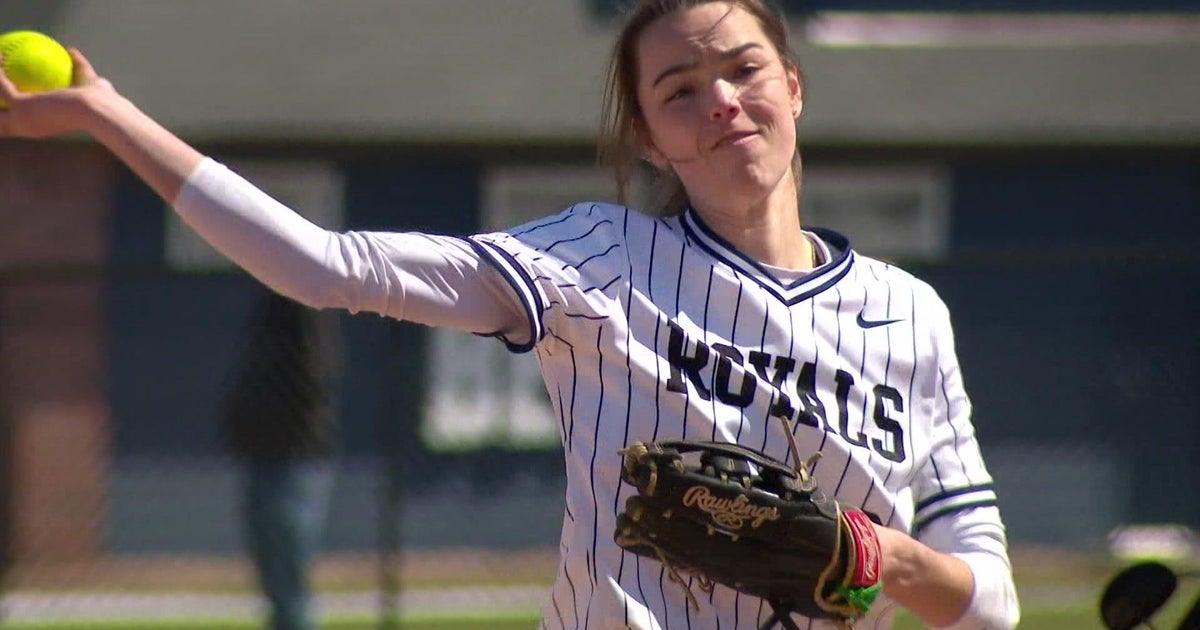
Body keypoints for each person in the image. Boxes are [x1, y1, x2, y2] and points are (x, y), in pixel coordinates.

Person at [0, 1, 1020, 627]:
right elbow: (320, 265)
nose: (720, 100)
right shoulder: (599, 259)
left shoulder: (909, 314)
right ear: (654, 143)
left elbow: (991, 604)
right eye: (678, 90)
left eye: (743, 69)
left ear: (793, 88)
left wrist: (880, 559)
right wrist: (103, 115)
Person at [219, 288, 342, 630]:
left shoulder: (305, 303)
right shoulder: (267, 307)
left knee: (290, 583)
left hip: (295, 460)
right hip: (262, 455)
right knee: (273, 580)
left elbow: (316, 374)